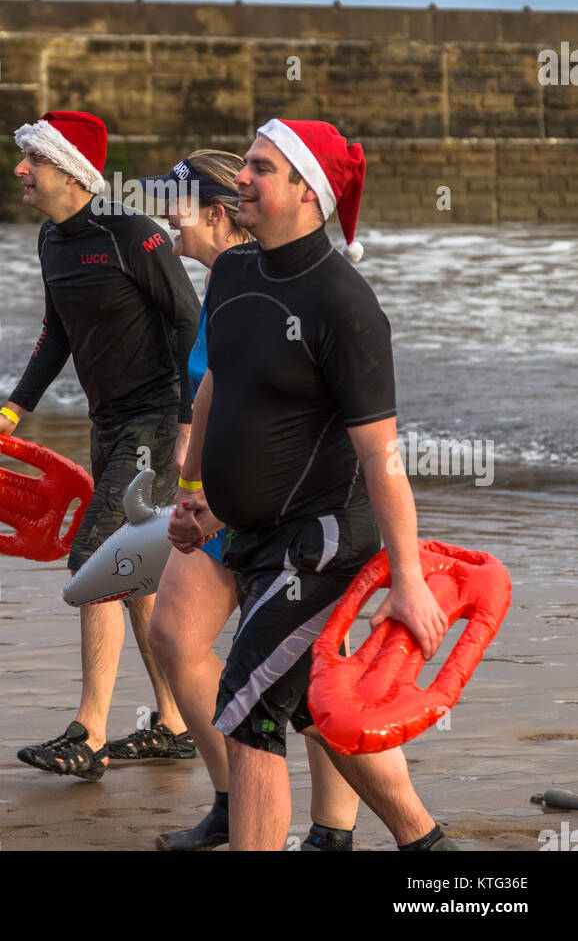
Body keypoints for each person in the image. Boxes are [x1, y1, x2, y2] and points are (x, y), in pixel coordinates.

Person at [168, 119, 458, 851]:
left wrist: (410, 578)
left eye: (261, 168)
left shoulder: (344, 303)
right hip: (253, 536)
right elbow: (216, 392)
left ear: (308, 191)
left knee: (246, 700)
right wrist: (198, 491)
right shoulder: (232, 273)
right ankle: (428, 847)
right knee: (305, 709)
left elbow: (381, 458)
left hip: (323, 540)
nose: (242, 176)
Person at [143, 150, 360, 852]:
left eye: (173, 202)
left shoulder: (283, 281)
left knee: (307, 679)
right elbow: (212, 390)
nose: (162, 216)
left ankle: (337, 829)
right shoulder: (227, 277)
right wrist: (190, 479)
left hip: (299, 512)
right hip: (221, 501)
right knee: (176, 636)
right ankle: (235, 801)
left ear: (214, 212)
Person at [0, 110, 201, 779]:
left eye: (34, 160)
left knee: (100, 560)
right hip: (107, 423)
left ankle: (91, 734)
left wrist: (190, 423)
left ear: (73, 170)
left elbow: (192, 323)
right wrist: (15, 408)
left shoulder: (134, 235)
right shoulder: (53, 240)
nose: (21, 169)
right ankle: (173, 722)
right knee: (135, 579)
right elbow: (59, 331)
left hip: (155, 423)